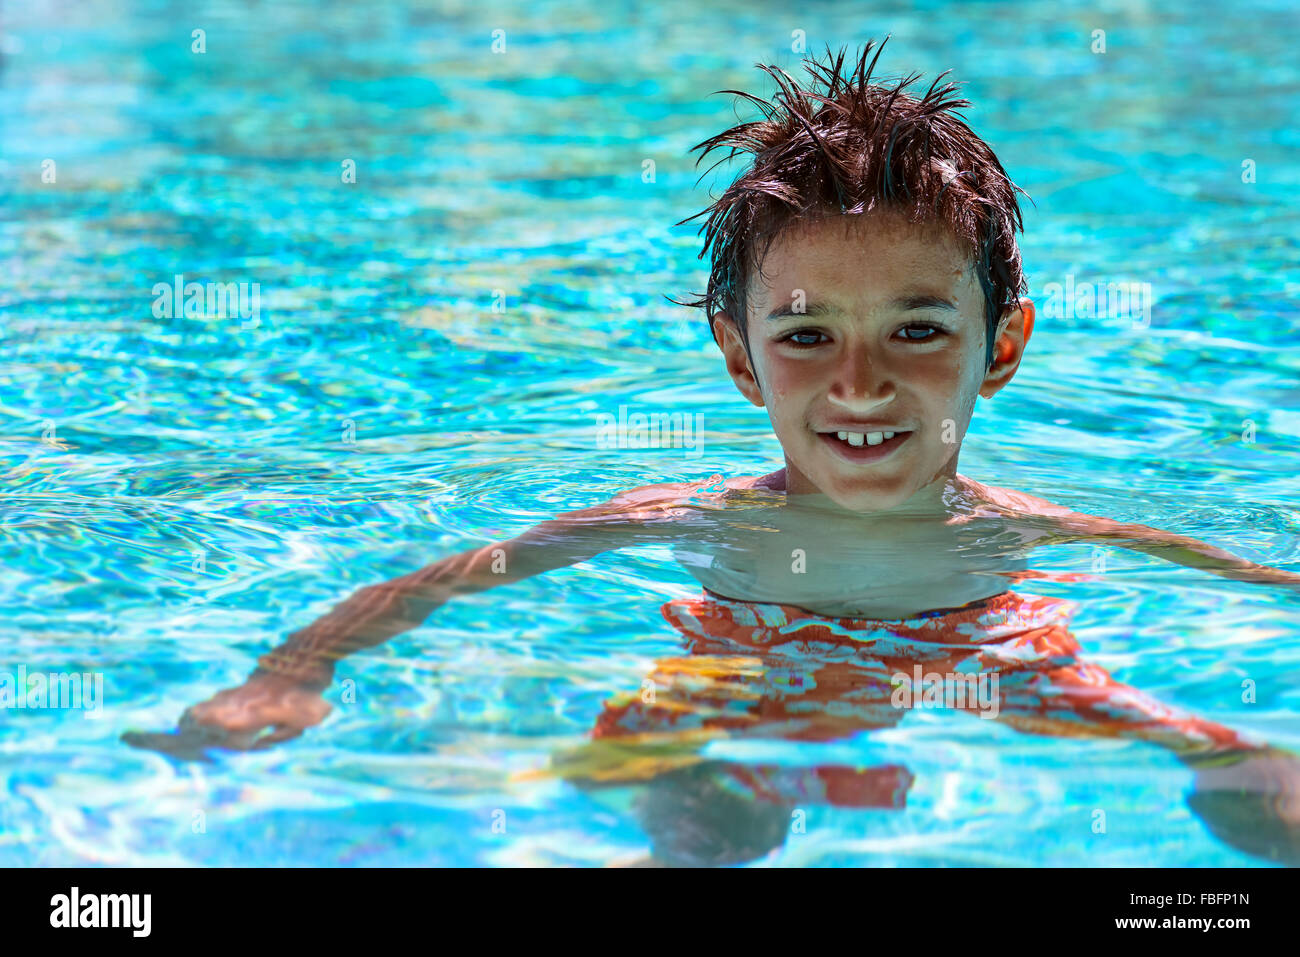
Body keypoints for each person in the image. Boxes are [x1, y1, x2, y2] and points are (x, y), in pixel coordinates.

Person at [126, 40, 1300, 865]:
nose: (859, 382)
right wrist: (295, 670)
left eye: (916, 330)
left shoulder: (1013, 533)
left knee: (1243, 768)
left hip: (978, 654)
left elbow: (1237, 571)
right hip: (748, 665)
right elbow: (454, 578)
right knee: (667, 803)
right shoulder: (696, 519)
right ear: (740, 358)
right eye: (805, 335)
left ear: (1000, 349)